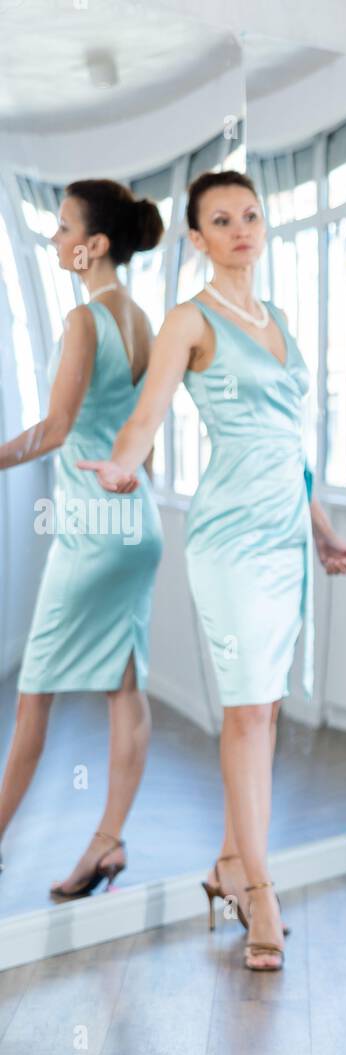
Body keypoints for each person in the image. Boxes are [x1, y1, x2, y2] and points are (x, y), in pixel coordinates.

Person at [79, 171, 346, 970]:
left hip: (283, 537)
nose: (241, 229)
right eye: (221, 221)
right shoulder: (187, 320)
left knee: (263, 712)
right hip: (232, 542)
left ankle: (230, 866)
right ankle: (261, 894)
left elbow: (290, 449)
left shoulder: (277, 322)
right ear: (197, 240)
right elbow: (146, 416)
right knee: (246, 713)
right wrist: (122, 464)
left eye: (250, 215)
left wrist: (324, 531)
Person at [0, 179, 163, 897]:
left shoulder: (83, 321)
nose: (55, 239)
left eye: (63, 228)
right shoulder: (142, 321)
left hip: (92, 534)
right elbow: (145, 444)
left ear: (93, 246)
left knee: (35, 691)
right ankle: (108, 844)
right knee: (122, 682)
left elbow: (56, 430)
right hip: (137, 524)